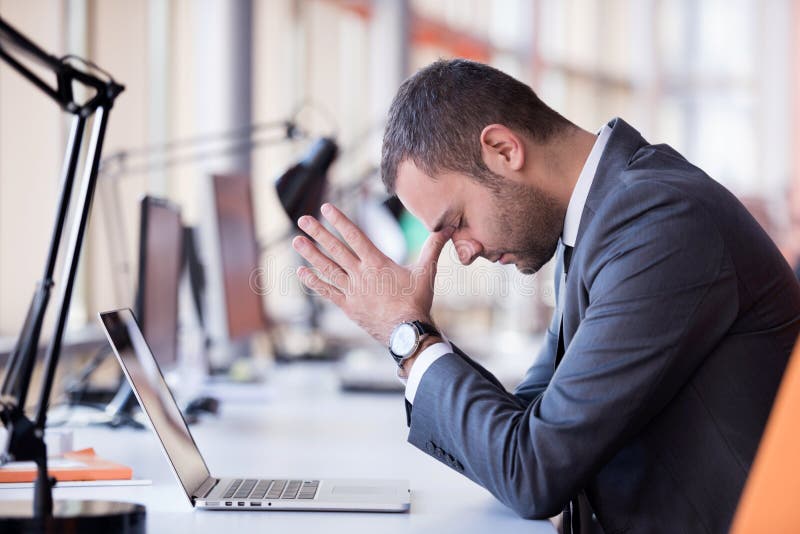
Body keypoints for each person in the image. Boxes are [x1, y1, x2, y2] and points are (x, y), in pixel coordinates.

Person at [290, 59, 800, 534]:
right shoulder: (602, 220)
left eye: (458, 223)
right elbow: (525, 427)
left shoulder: (660, 222)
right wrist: (416, 331)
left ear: (504, 150)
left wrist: (407, 336)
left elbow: (532, 471)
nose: (462, 253)